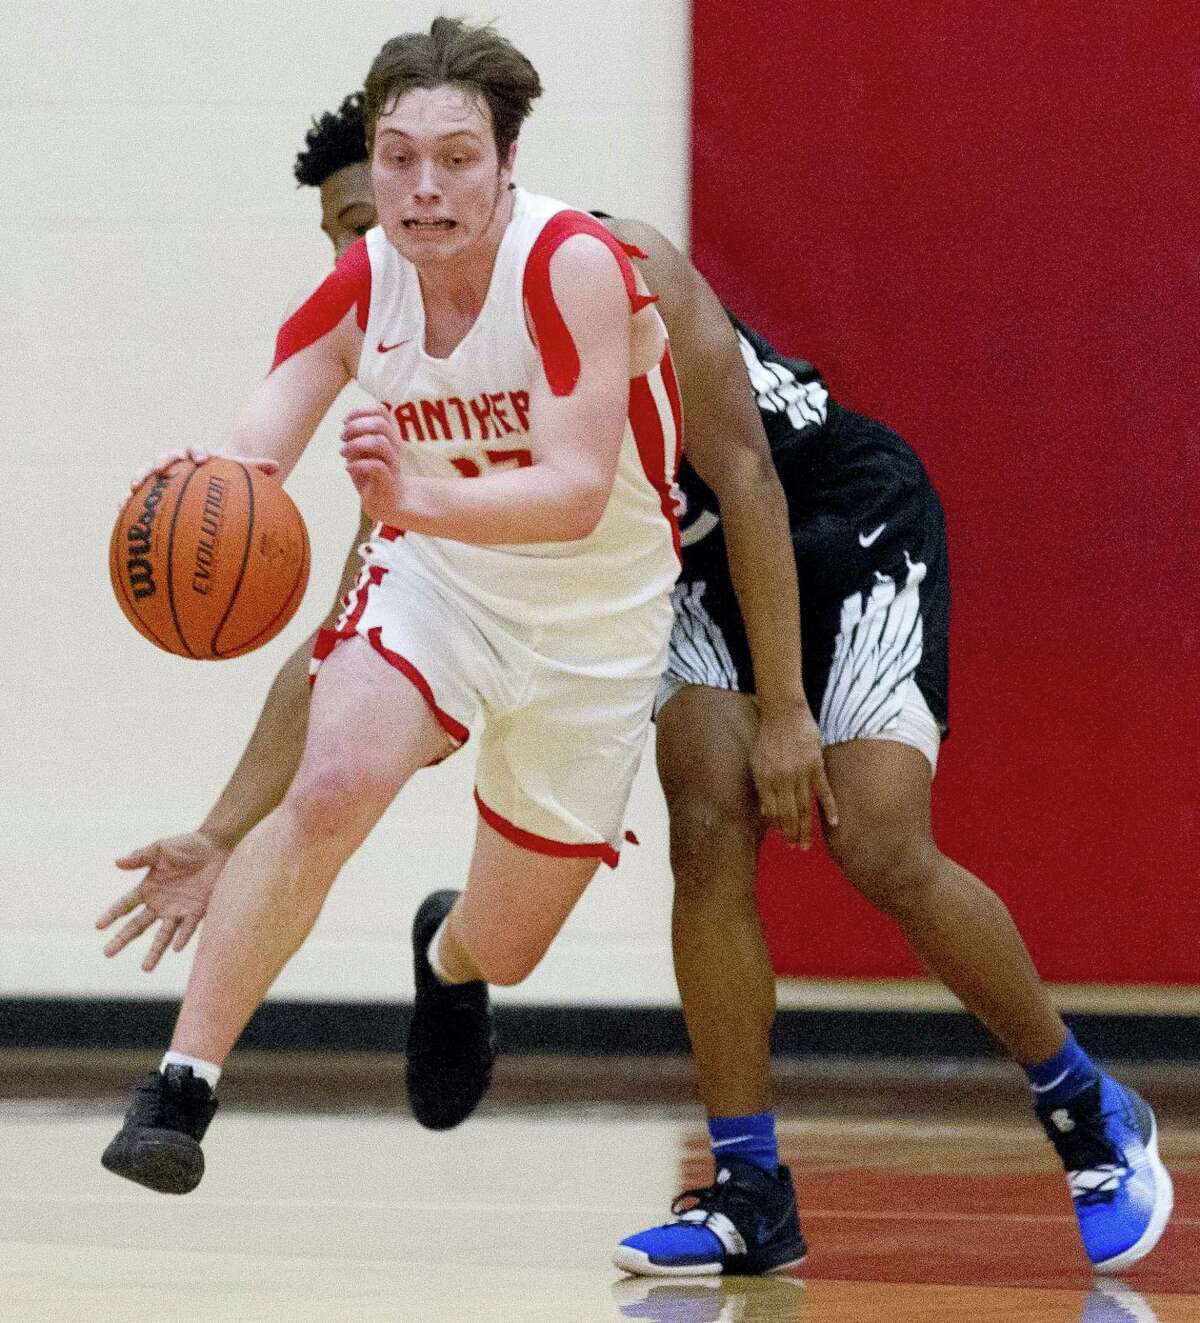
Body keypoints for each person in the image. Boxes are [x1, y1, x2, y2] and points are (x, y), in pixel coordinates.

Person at [99, 89, 1172, 1277]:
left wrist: (784, 710)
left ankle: (1085, 1108)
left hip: (829, 513)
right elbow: (344, 632)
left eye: (386, 204)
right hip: (680, 560)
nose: (374, 243)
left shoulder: (604, 265)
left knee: (877, 842)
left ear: (474, 181)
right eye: (345, 232)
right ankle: (750, 1187)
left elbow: (751, 482)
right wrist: (220, 828)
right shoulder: (406, 352)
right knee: (706, 833)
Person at [99, 16, 692, 1198]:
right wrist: (209, 485)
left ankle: (446, 951)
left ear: (506, 158)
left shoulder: (570, 264)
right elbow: (264, 437)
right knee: (328, 789)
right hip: (440, 582)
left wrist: (410, 490)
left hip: (595, 623)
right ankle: (181, 1085)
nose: (422, 186)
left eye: (455, 157)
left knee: (511, 944)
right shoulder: (364, 281)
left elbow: (577, 495)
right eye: (399, 154)